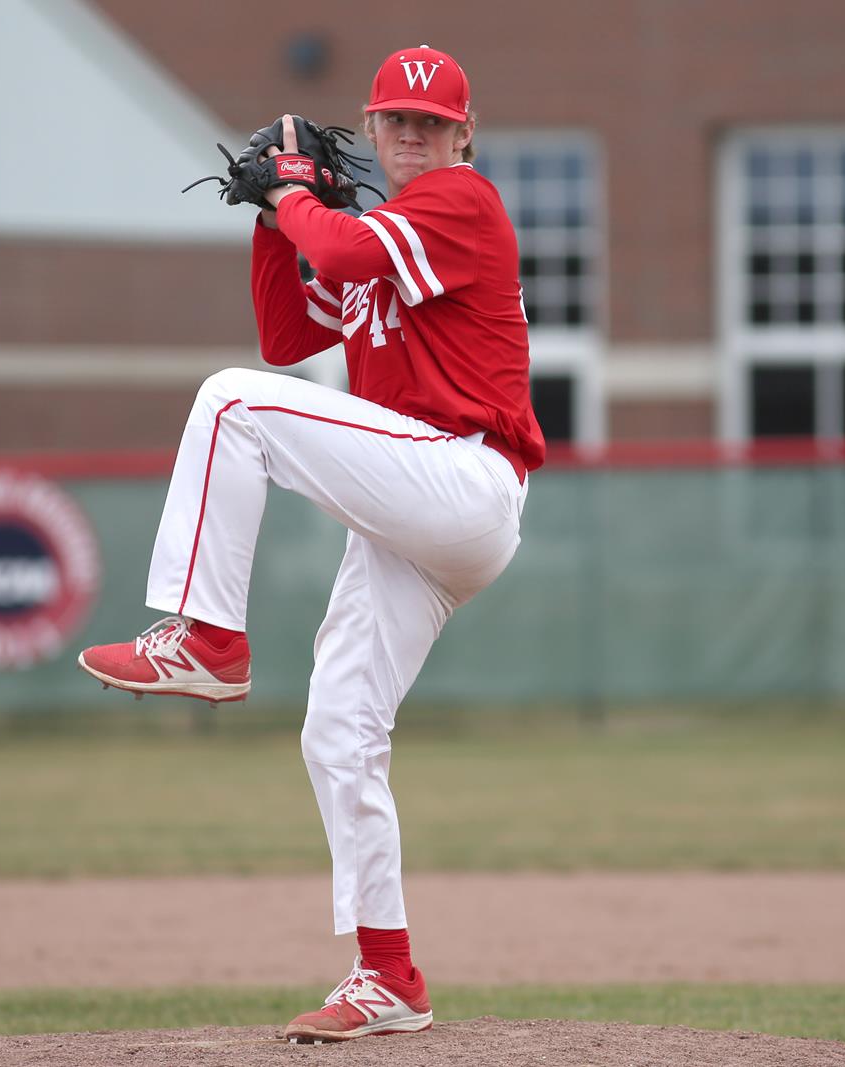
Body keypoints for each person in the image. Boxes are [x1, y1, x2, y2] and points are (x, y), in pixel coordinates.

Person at [77, 44, 544, 1044]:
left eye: (430, 123)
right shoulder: (383, 232)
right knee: (338, 728)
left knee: (229, 403)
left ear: (462, 137)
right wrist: (265, 213)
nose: (411, 136)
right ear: (373, 130)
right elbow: (291, 332)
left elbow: (329, 253)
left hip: (461, 477)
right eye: (396, 122)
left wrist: (296, 201)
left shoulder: (461, 203)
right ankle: (389, 975)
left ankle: (206, 637)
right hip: (417, 508)